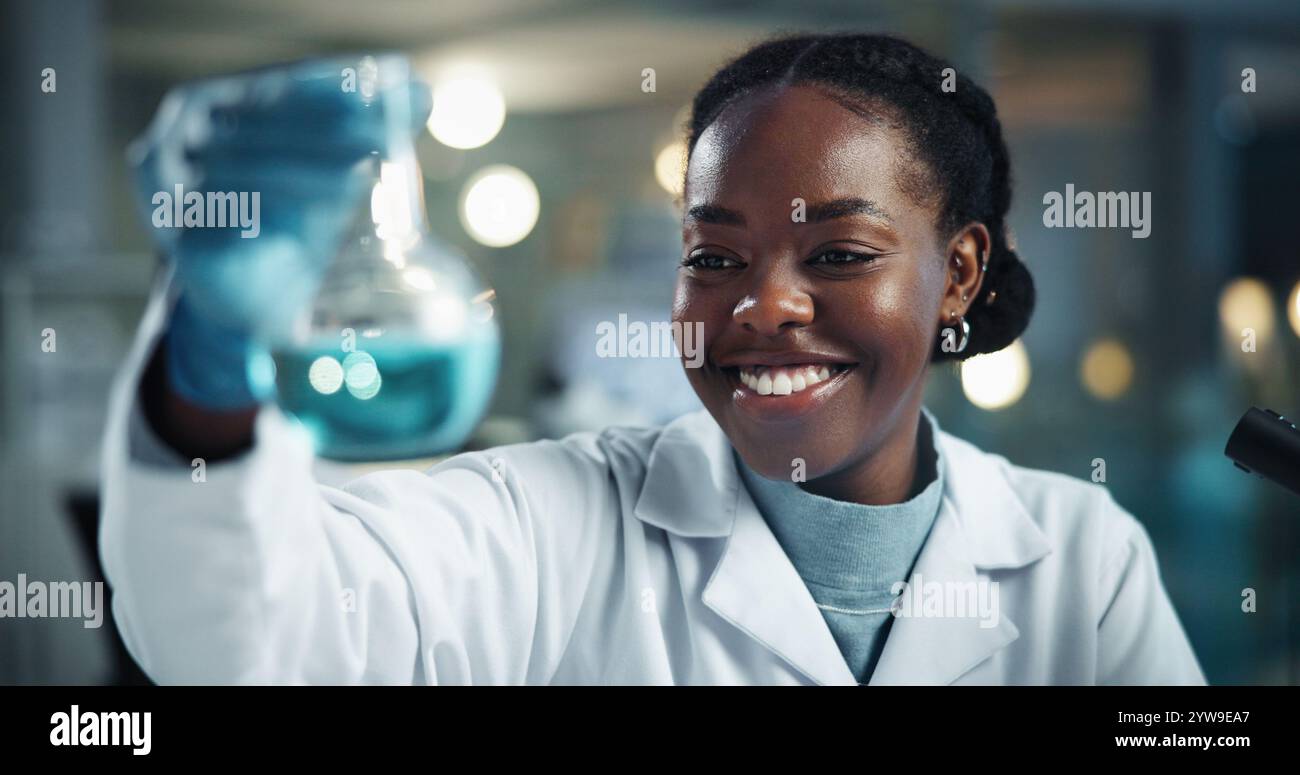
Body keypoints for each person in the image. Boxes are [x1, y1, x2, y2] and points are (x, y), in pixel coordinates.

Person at [100, 34, 1206, 685]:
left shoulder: (1082, 559)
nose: (763, 306)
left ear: (958, 271)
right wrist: (209, 355)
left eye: (837, 253)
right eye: (714, 254)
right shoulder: (548, 528)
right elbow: (244, 646)